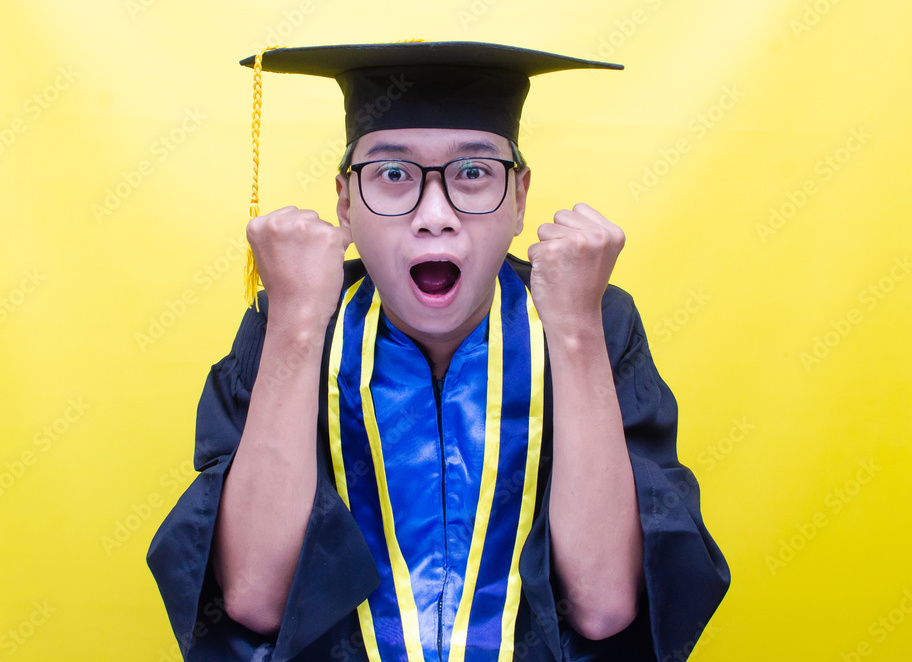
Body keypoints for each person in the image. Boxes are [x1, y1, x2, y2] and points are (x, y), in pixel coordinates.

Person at [148, 41, 729, 661]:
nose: (434, 215)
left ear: (520, 198)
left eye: (473, 173)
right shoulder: (291, 327)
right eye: (393, 175)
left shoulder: (594, 324)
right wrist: (293, 323)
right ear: (344, 202)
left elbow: (604, 604)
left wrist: (576, 331)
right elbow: (254, 596)